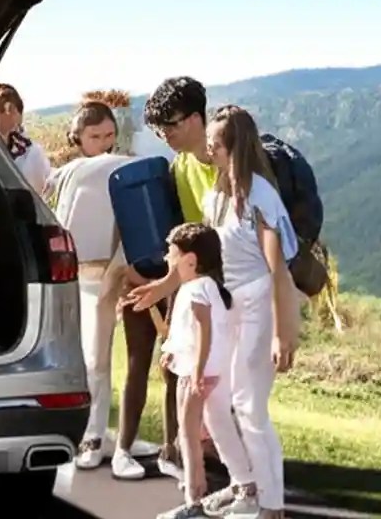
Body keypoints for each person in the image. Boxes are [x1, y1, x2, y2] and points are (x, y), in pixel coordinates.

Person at [129, 104, 303, 519]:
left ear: (235, 148)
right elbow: (202, 260)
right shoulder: (215, 197)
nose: (207, 152)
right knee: (212, 398)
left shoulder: (260, 197)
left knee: (248, 406)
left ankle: (272, 507)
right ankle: (244, 487)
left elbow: (278, 271)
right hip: (233, 303)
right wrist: (161, 288)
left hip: (261, 302)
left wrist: (283, 332)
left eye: (215, 146)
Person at [46, 100, 158, 478]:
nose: (105, 143)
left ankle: (95, 436)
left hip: (107, 273)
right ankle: (86, 433)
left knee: (98, 356)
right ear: (78, 138)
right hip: (70, 274)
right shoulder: (68, 174)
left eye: (110, 135)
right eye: (95, 136)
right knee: (80, 357)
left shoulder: (118, 169)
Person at [116, 76, 217, 482]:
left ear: (195, 118)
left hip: (229, 292)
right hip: (194, 287)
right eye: (159, 129)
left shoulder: (227, 163)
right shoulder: (179, 168)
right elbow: (184, 243)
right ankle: (184, 457)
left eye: (170, 126)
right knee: (179, 369)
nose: (165, 135)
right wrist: (160, 286)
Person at [147, 222, 244, 519]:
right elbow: (196, 333)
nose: (167, 259)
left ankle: (193, 501)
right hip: (213, 373)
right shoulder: (213, 287)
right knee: (218, 428)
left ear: (190, 260)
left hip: (196, 375)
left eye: (172, 254)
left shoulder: (194, 289)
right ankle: (246, 483)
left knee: (187, 435)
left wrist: (197, 371)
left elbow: (204, 329)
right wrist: (174, 355)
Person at [0, 83, 51, 195]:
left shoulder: (29, 150)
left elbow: (46, 179)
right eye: (5, 109)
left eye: (15, 109)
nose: (12, 114)